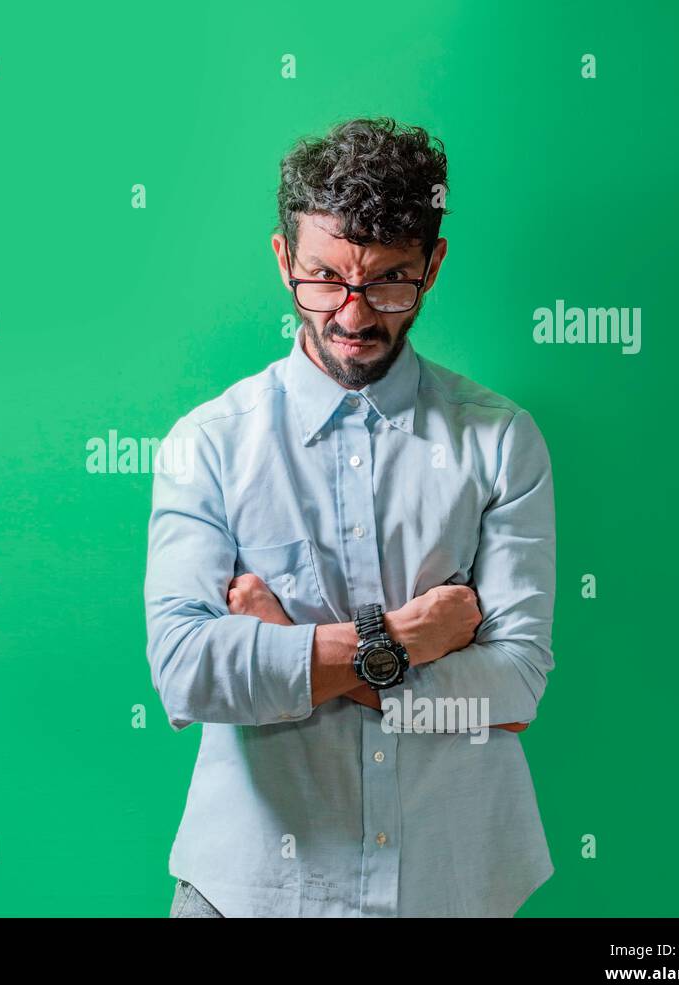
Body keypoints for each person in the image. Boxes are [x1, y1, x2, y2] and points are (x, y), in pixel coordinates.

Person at [145, 117, 556, 917]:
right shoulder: (209, 445)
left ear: (434, 264)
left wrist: (287, 651)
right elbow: (187, 669)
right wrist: (404, 641)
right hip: (250, 892)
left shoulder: (502, 440)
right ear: (281, 260)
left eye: (390, 280)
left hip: (454, 886)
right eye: (325, 277)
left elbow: (516, 685)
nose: (354, 315)